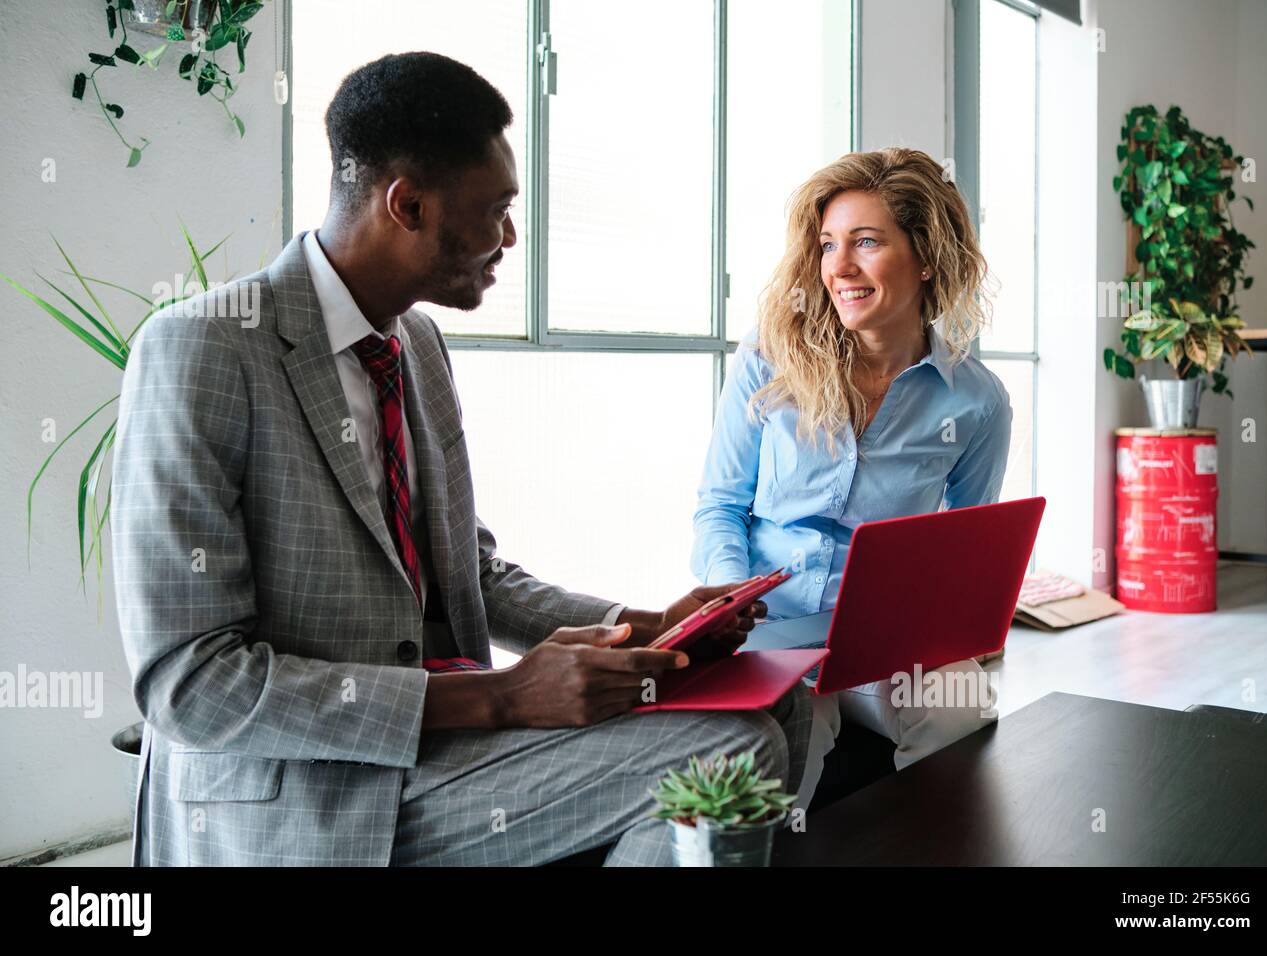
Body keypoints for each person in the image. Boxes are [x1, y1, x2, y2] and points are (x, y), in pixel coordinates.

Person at [110, 51, 811, 867]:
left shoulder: (416, 342)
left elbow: (471, 574)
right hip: (307, 789)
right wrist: (500, 696)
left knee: (771, 707)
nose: (509, 238)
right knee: (727, 751)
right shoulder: (204, 349)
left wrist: (647, 627)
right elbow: (191, 683)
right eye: (496, 211)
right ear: (406, 204)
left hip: (434, 755)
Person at [690, 148, 1010, 807]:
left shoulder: (977, 401)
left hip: (886, 644)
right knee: (790, 741)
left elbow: (967, 554)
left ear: (926, 257)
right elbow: (720, 503)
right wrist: (727, 595)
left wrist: (957, 636)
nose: (839, 267)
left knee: (963, 707)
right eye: (829, 244)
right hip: (771, 629)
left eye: (866, 242)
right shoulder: (767, 360)